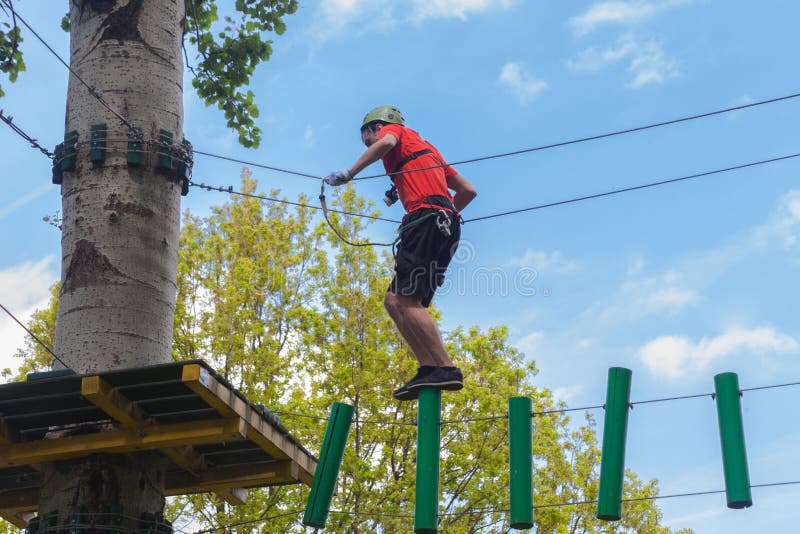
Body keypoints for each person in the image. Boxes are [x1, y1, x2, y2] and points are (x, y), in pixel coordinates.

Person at [324, 105, 477, 401]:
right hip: (443, 225)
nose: (370, 145)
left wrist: (350, 173)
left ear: (375, 127)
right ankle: (430, 367)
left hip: (425, 220)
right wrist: (444, 213)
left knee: (404, 299)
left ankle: (444, 366)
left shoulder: (395, 132)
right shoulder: (427, 150)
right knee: (396, 301)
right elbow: (468, 191)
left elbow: (386, 143)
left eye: (367, 139)